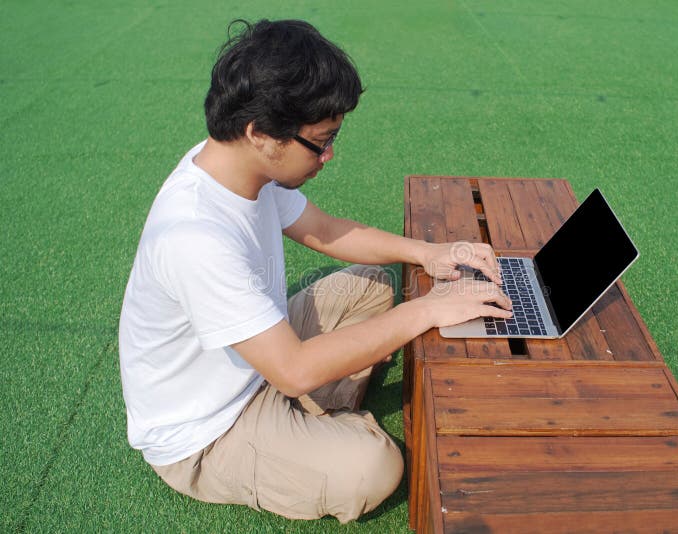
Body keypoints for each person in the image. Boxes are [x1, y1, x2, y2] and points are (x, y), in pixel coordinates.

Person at [118, 18, 512, 524]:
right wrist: (429, 309)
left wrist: (429, 253)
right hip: (209, 430)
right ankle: (320, 430)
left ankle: (310, 423)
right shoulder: (195, 236)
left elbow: (323, 229)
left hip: (258, 363)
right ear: (261, 134)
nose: (329, 156)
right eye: (321, 141)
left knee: (371, 284)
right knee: (373, 468)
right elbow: (294, 369)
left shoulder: (234, 166)